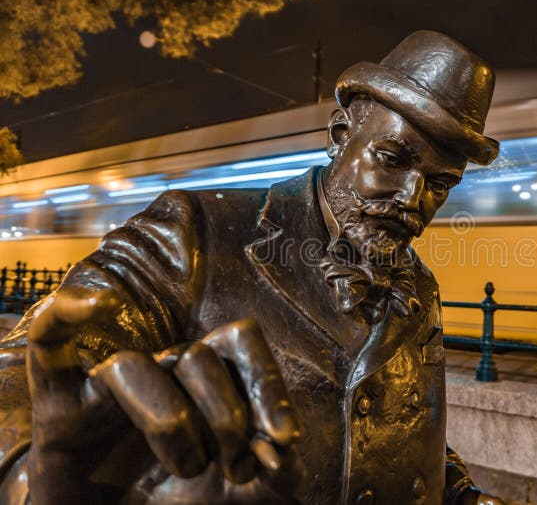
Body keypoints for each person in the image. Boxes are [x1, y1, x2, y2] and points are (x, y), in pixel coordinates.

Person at [0, 30, 505, 504]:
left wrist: (461, 494)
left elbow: (405, 428)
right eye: (392, 158)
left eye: (440, 184)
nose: (413, 199)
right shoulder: (194, 230)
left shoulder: (418, 284)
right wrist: (32, 473)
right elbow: (30, 369)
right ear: (339, 134)